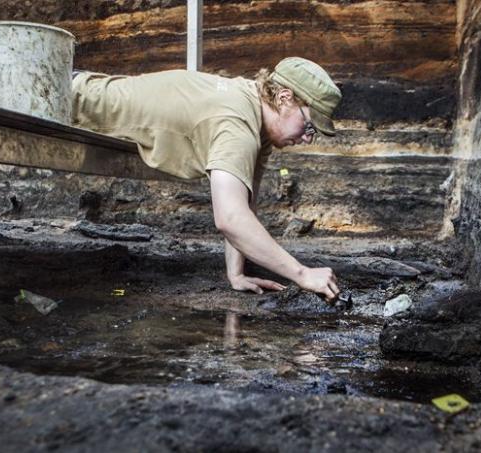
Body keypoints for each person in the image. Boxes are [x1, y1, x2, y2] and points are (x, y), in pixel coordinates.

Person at [71, 57, 342, 301]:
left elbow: (243, 207)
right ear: (284, 98)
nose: (308, 138)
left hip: (81, 89)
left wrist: (235, 274)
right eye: (308, 126)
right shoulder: (237, 123)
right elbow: (230, 219)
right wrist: (302, 274)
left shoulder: (257, 122)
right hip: (66, 100)